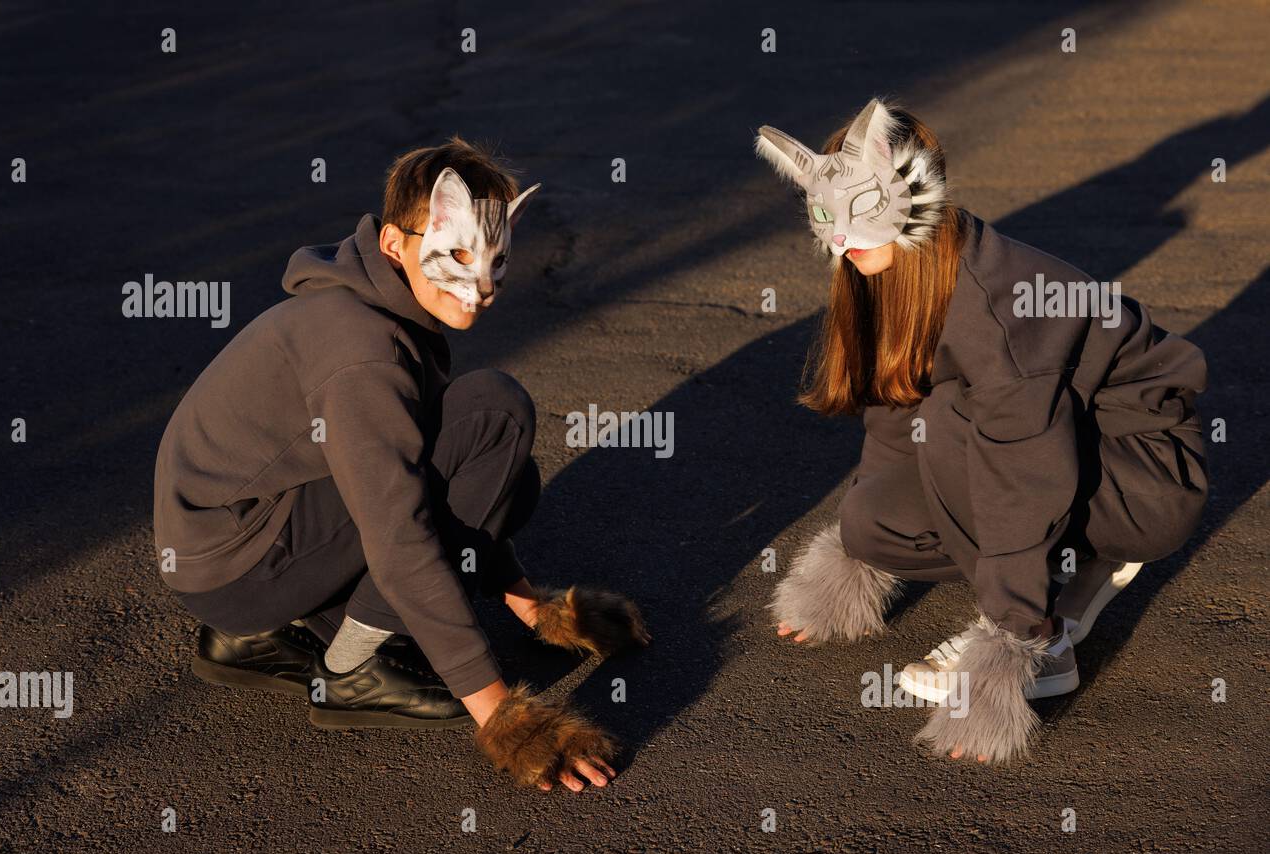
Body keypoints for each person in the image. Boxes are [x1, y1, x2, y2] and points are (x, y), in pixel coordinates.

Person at [154, 137, 648, 791]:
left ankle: (257, 637)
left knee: (509, 478)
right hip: (237, 559)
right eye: (462, 255)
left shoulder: (376, 301)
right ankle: (353, 669)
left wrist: (530, 605)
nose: (483, 285)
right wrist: (503, 717)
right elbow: (400, 532)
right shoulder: (363, 352)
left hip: (228, 548)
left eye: (497, 260)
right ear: (394, 245)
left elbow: (426, 470)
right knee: (493, 413)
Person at [757, 99, 1208, 764]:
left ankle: (1044, 641)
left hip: (1143, 473)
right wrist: (848, 567)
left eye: (859, 212)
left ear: (912, 194)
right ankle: (1071, 561)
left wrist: (1011, 630)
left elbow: (1025, 469)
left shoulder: (995, 302)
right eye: (827, 216)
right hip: (1054, 451)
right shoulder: (892, 273)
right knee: (876, 517)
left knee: (948, 422)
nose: (844, 241)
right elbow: (889, 422)